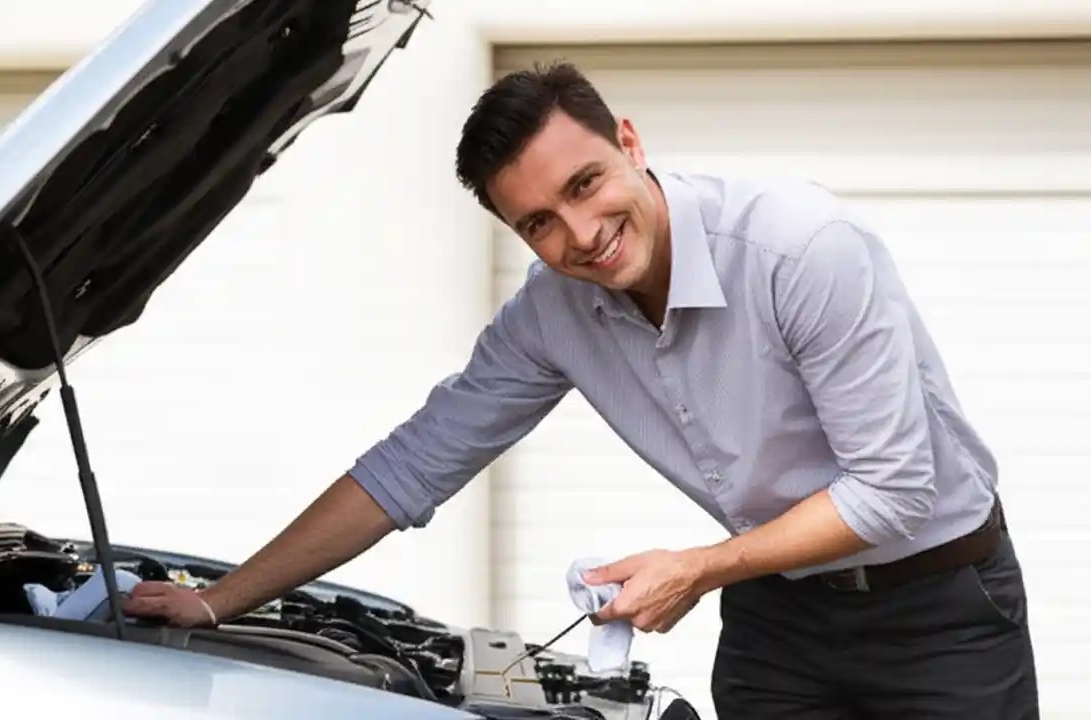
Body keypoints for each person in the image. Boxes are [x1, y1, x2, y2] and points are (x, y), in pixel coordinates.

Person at [124, 61, 1038, 718]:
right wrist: (221, 600)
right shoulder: (553, 312)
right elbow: (412, 467)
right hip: (781, 622)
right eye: (540, 223)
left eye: (588, 182)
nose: (583, 235)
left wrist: (698, 568)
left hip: (943, 610)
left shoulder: (800, 250)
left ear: (630, 142)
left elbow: (894, 488)